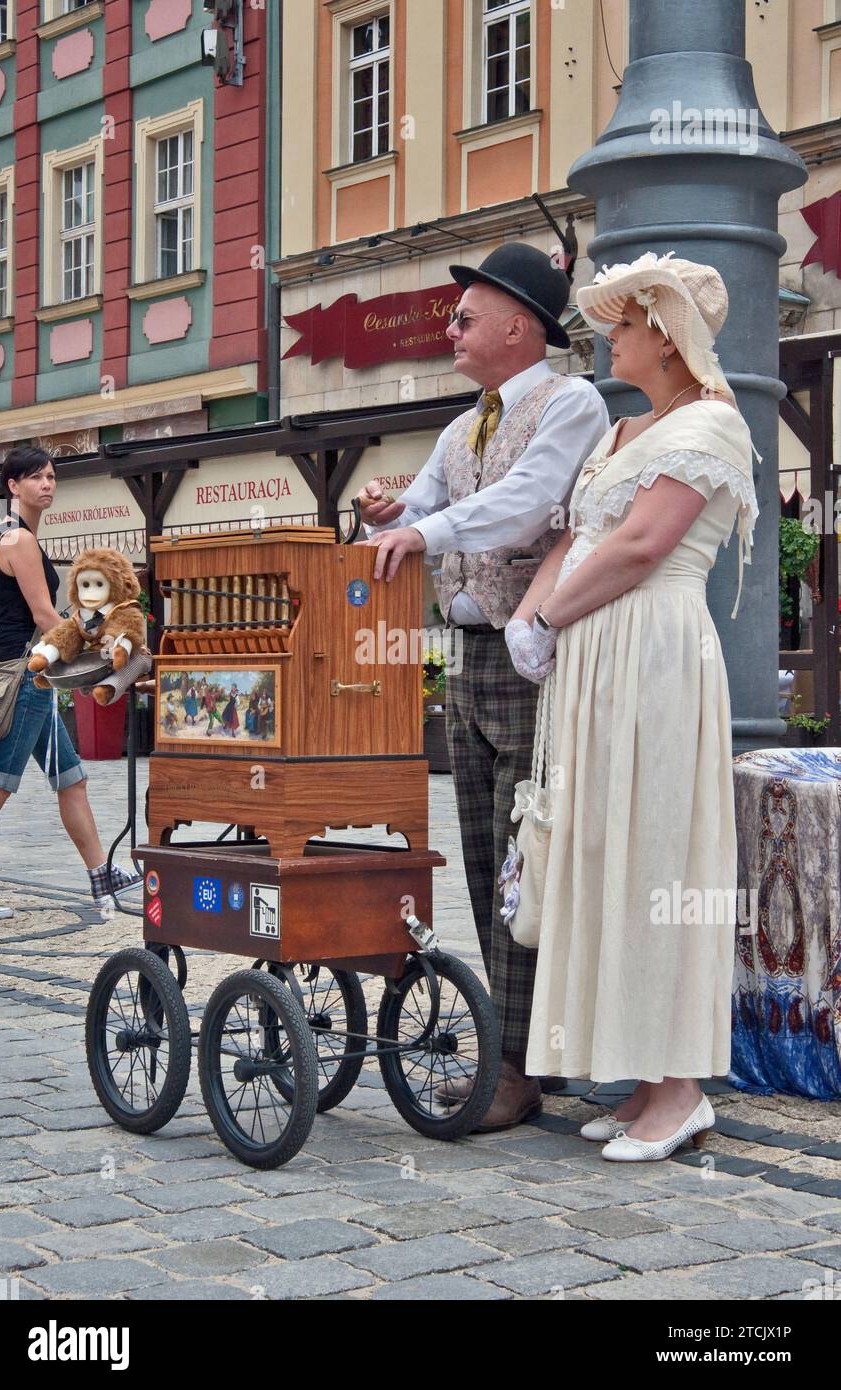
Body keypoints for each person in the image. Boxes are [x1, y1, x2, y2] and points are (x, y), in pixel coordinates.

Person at [506, 252, 759, 1160]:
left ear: (663, 330)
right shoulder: (620, 435)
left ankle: (682, 1085)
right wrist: (532, 622)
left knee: (656, 846)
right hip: (593, 653)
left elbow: (644, 546)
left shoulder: (712, 426)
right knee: (602, 846)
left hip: (652, 650)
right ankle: (640, 1069)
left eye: (620, 324)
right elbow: (579, 542)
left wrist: (551, 620)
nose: (606, 337)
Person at [358, 243, 609, 1130]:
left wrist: (424, 534)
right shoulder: (462, 424)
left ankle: (517, 1064)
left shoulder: (569, 401)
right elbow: (429, 503)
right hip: (465, 657)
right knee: (478, 856)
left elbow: (533, 502)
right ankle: (518, 1046)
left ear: (518, 324)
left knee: (522, 861)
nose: (450, 327)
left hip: (533, 656)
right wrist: (393, 516)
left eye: (466, 316)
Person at [0, 447, 142, 919]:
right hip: (28, 678)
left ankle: (100, 874)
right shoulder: (21, 542)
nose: (47, 484)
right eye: (35, 478)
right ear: (13, 485)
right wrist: (94, 650)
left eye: (51, 476)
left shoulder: (3, 536)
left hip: (25, 677)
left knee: (72, 780)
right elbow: (45, 616)